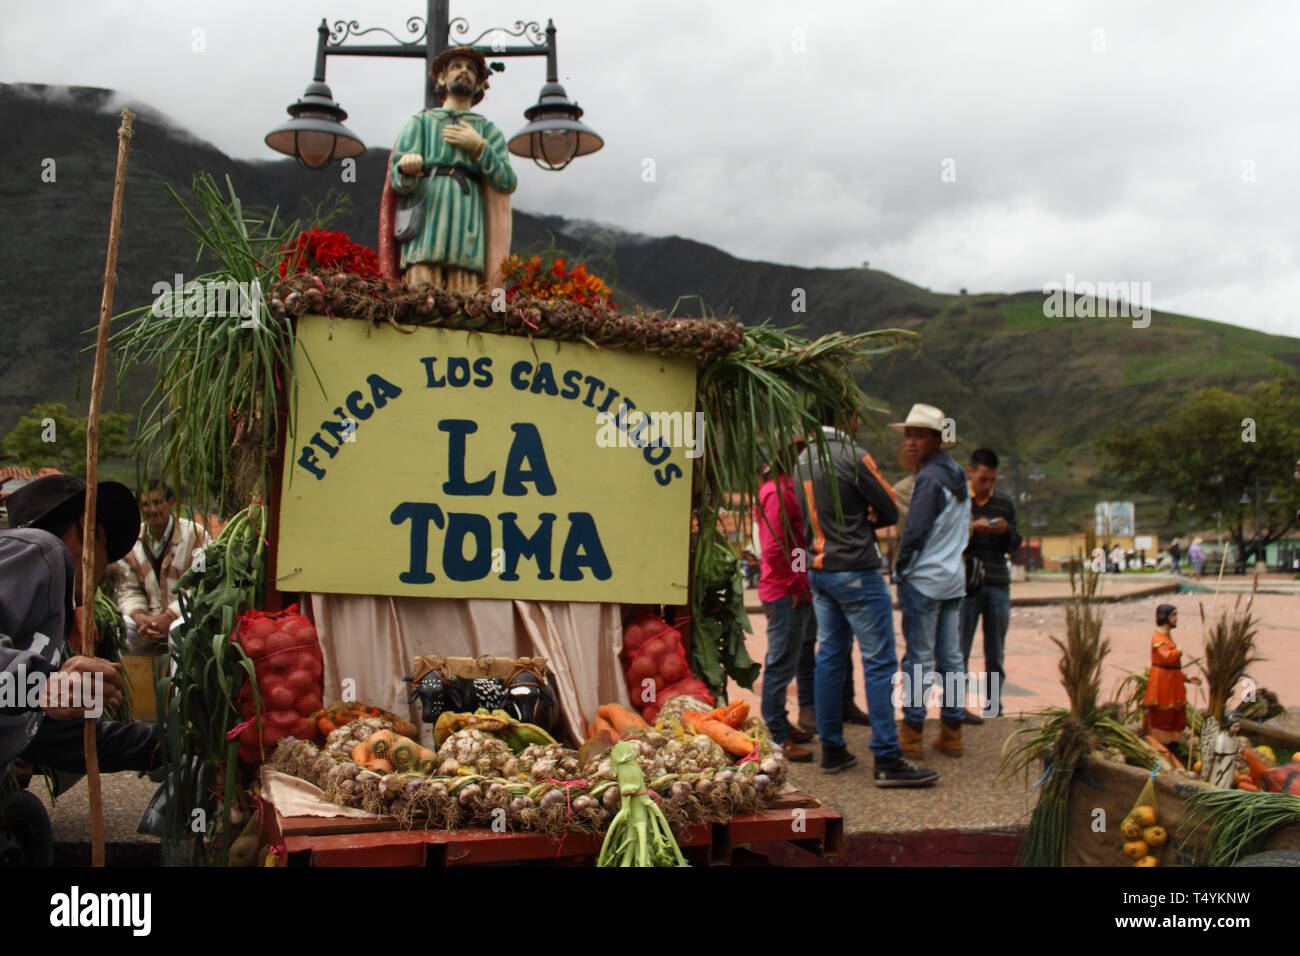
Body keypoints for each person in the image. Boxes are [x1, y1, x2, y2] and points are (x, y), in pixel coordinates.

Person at [796, 406, 938, 786]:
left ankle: (832, 749)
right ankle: (888, 759)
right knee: (878, 661)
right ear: (845, 415)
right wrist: (865, 516)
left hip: (820, 571)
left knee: (829, 657)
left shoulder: (803, 458)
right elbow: (890, 508)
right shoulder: (853, 456)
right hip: (857, 570)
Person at [2, 475, 161, 780]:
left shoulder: (44, 613)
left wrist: (162, 745)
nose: (103, 572)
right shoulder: (43, 550)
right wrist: (39, 683)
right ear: (90, 529)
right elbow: (31, 688)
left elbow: (53, 738)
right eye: (107, 548)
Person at [388, 46, 517, 293]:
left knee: (466, 292)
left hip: (467, 223)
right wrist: (407, 167)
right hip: (426, 221)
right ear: (441, 77)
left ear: (480, 83)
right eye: (456, 66)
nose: (463, 72)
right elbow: (398, 179)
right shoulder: (421, 123)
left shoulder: (488, 131)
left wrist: (478, 147)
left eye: (471, 69)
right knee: (420, 288)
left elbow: (506, 182)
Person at [892, 403, 971, 759]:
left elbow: (915, 530)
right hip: (953, 578)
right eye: (908, 435)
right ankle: (952, 731)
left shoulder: (928, 479)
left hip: (923, 579)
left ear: (936, 440)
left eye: (919, 436)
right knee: (951, 658)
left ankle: (912, 732)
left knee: (919, 659)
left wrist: (901, 565)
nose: (911, 443)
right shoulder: (958, 476)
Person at [754, 457, 814, 761]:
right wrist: (795, 583)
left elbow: (793, 543)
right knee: (780, 662)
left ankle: (781, 725)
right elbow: (777, 546)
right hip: (784, 590)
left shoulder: (776, 490)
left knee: (785, 658)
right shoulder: (778, 493)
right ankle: (776, 734)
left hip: (786, 586)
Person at [958, 448, 1020, 724]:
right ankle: (955, 706)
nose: (988, 485)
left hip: (997, 582)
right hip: (966, 584)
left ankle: (994, 706)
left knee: (995, 651)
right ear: (970, 472)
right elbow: (948, 538)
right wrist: (973, 529)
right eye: (983, 479)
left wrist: (1005, 531)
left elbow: (1016, 544)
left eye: (992, 480)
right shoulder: (958, 500)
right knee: (959, 648)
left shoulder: (1005, 504)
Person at [117, 479, 211, 653]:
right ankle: (116, 679)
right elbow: (128, 589)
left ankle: (179, 681)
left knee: (179, 630)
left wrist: (169, 616)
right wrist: (139, 616)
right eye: (146, 504)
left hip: (184, 615)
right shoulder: (132, 540)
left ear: (171, 503)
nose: (152, 510)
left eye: (158, 502)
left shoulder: (195, 536)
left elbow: (201, 586)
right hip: (148, 621)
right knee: (119, 629)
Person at [1143, 604, 1199, 750]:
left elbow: (1173, 667)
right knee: (1164, 716)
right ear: (1165, 617)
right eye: (1173, 615)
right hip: (1163, 683)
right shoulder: (1158, 637)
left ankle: (1174, 748)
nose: (1175, 619)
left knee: (1176, 714)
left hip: (1172, 682)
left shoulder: (1167, 636)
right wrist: (1178, 651)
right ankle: (1163, 748)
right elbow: (1166, 657)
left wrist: (1186, 678)